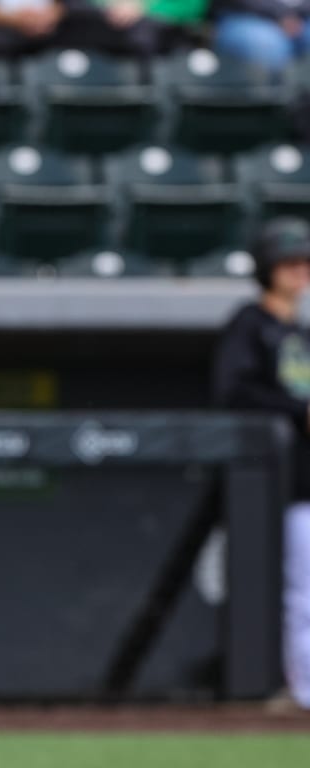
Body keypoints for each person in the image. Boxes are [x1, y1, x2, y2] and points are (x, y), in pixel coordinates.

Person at [211, 216, 310, 713]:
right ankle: (302, 691)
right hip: (278, 481)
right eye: (288, 263)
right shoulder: (250, 324)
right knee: (302, 592)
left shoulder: (303, 330)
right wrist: (299, 411)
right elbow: (235, 390)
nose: (299, 272)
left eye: (304, 263)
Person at [0, 0, 201, 59]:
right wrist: (16, 21)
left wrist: (55, 12)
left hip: (57, 22)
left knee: (134, 36)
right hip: (1, 25)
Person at [212, 0, 310, 72]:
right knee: (269, 47)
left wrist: (294, 14)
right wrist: (281, 13)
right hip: (244, 13)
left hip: (301, 14)